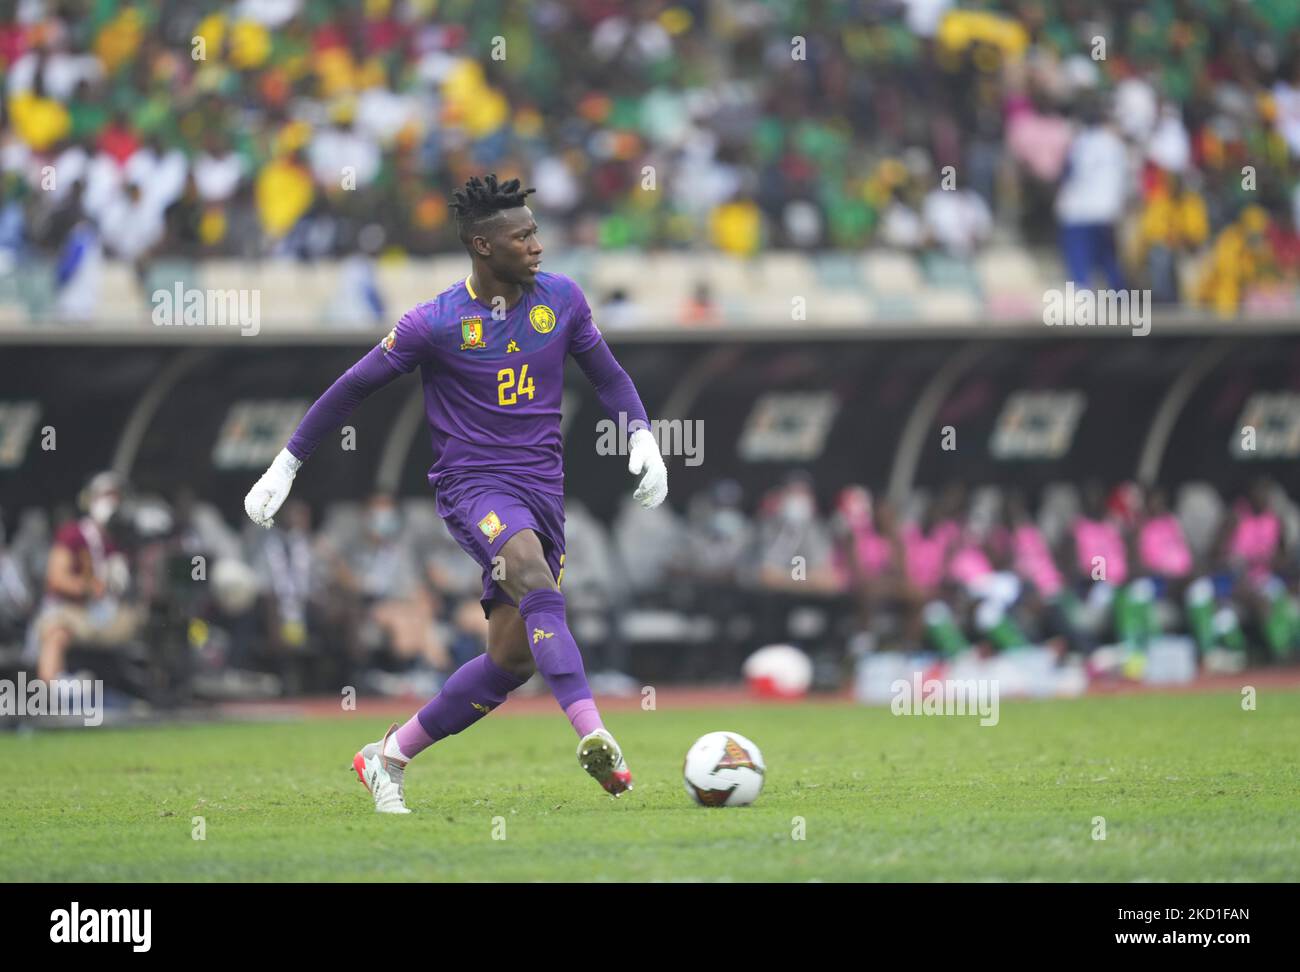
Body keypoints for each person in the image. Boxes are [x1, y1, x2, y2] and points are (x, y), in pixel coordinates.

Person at [243, 174, 668, 813]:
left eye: (535, 232)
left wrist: (642, 436)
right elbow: (351, 388)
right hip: (475, 487)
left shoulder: (565, 301)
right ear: (482, 245)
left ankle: (387, 757)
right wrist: (286, 464)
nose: (537, 245)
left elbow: (609, 377)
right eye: (522, 236)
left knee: (509, 662)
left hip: (543, 491)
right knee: (532, 578)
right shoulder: (435, 323)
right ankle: (593, 732)